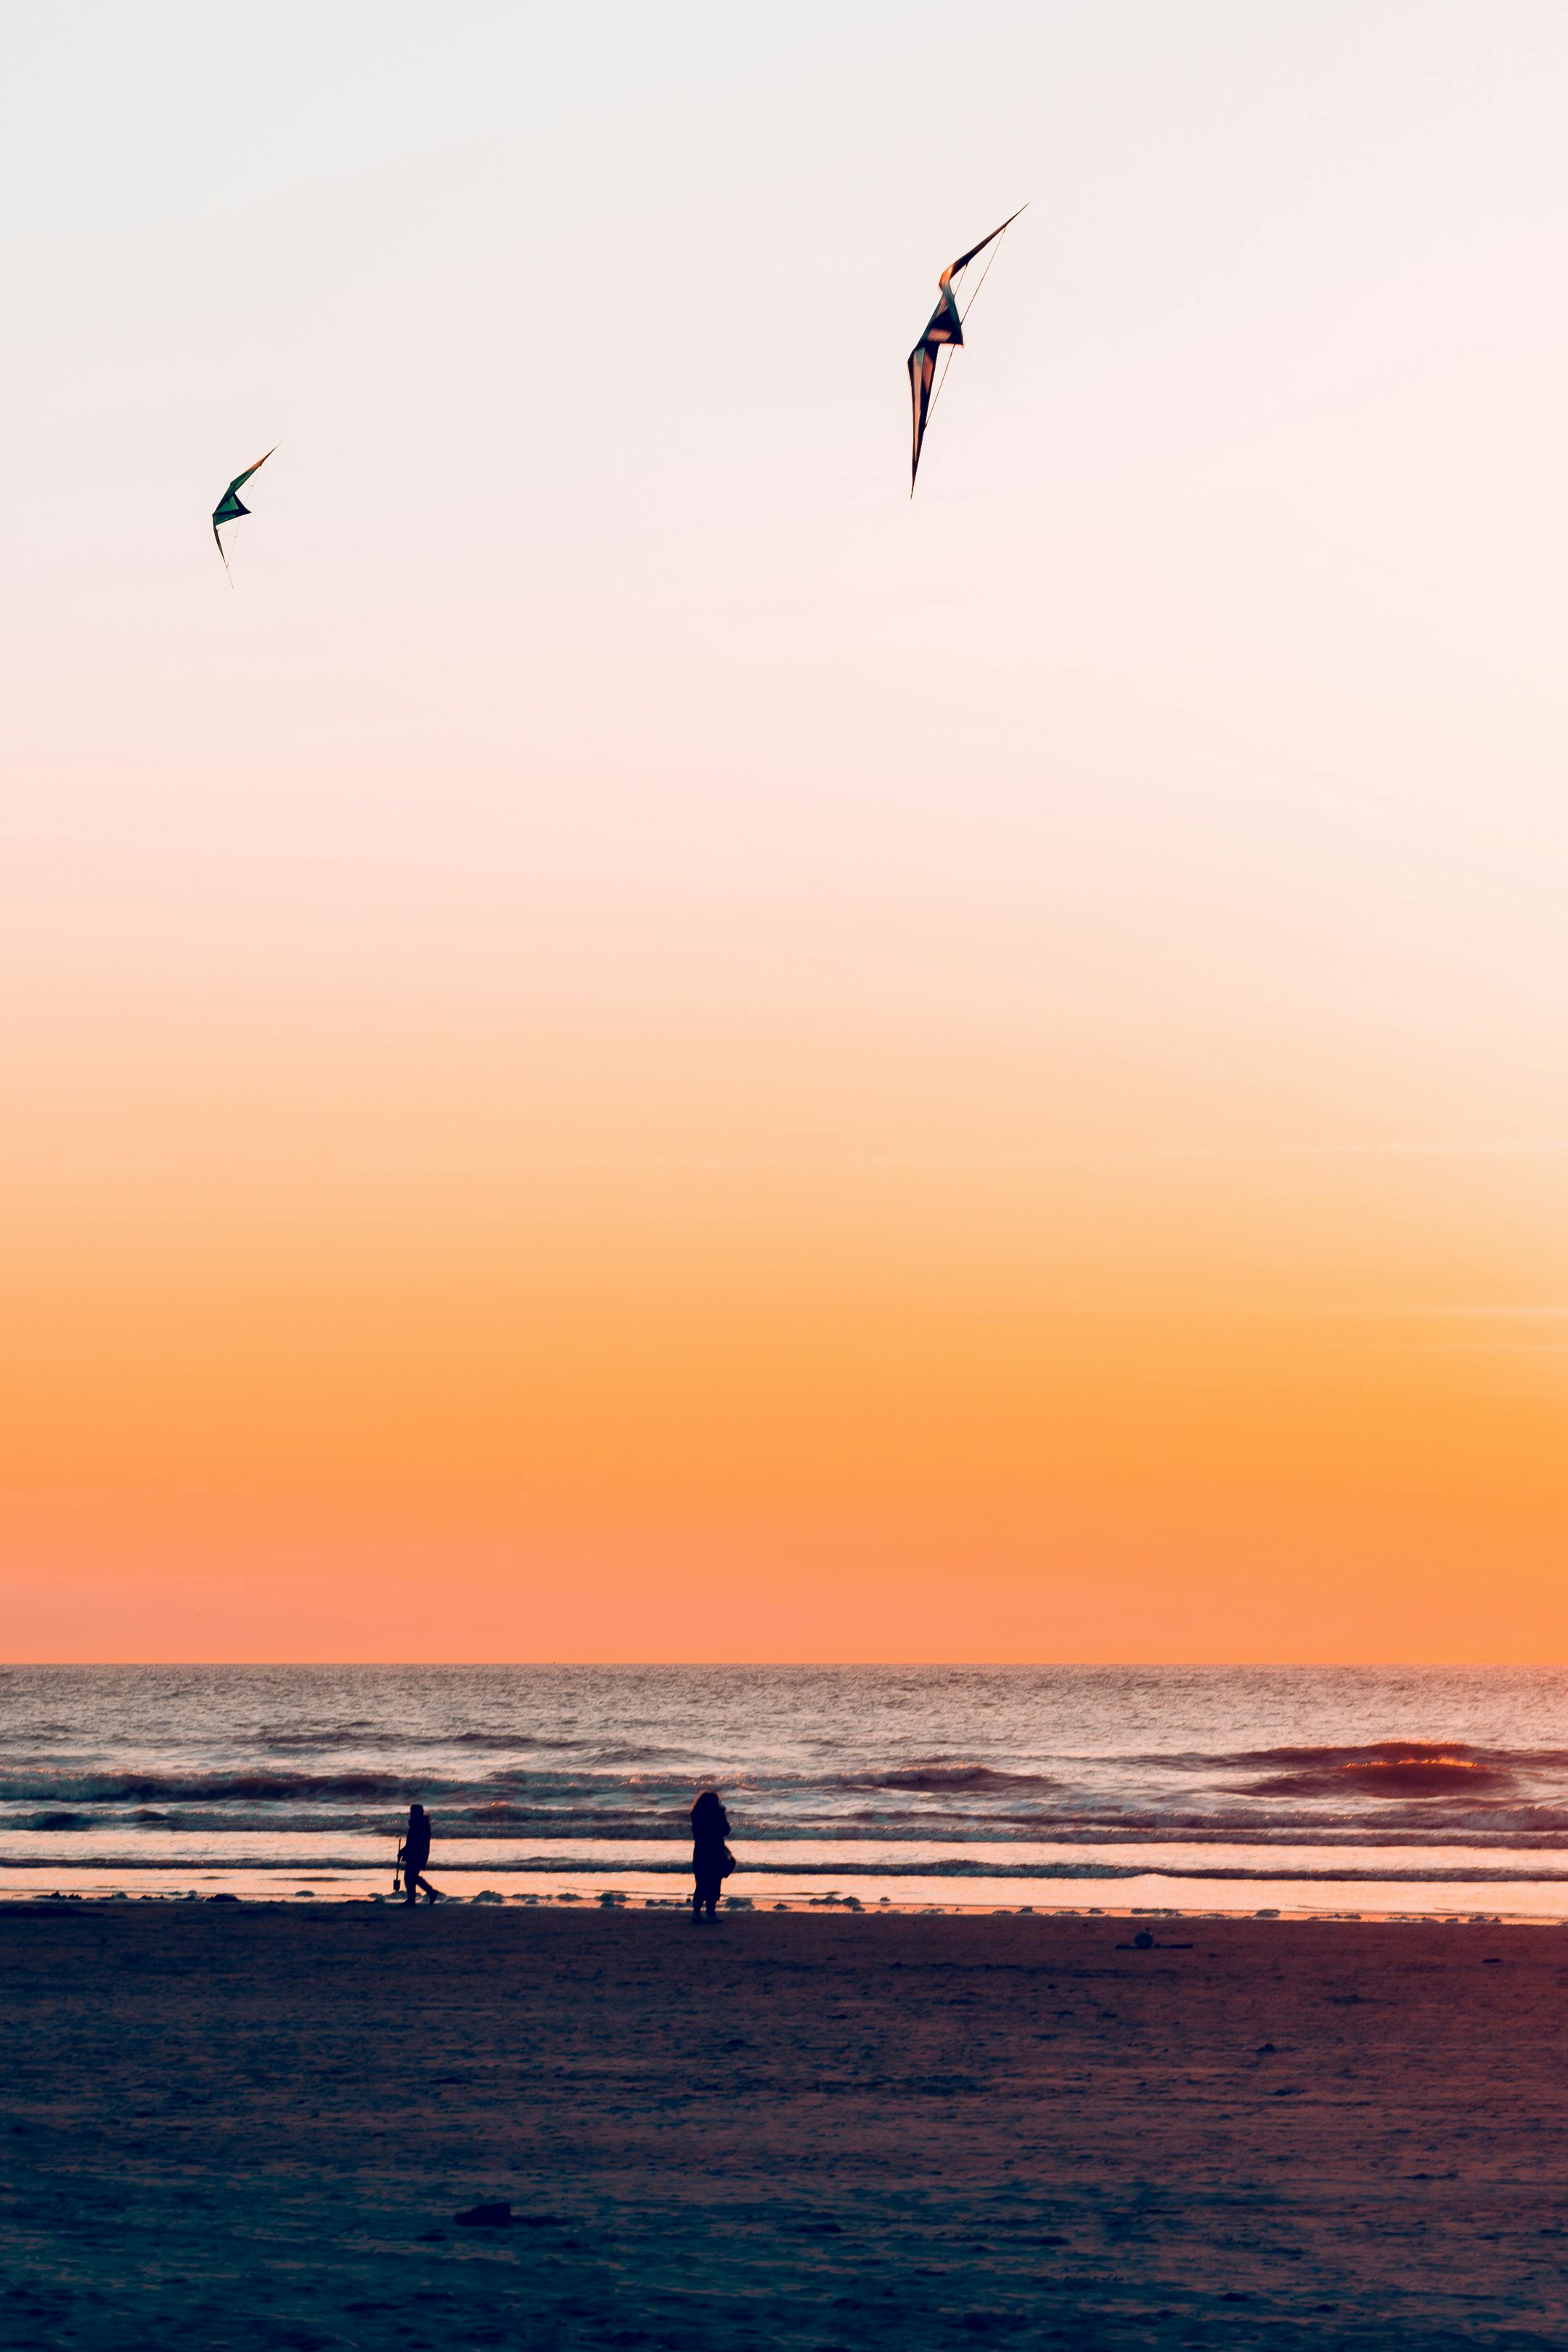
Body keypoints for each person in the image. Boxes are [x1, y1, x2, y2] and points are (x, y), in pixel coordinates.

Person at [690, 1789, 733, 1922]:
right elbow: (726, 1830)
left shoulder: (696, 1814)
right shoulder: (717, 1814)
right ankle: (711, 1912)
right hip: (715, 1850)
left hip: (700, 1851)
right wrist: (721, 1813)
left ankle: (696, 1912)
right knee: (714, 1882)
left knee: (701, 1882)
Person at [399, 1802, 439, 1906]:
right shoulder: (418, 1823)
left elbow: (416, 1842)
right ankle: (418, 1897)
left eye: (412, 1812)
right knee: (411, 1877)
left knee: (410, 1877)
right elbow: (412, 1841)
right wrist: (404, 1851)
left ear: (417, 1813)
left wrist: (404, 1851)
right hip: (415, 1853)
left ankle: (428, 1893)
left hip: (417, 1854)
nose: (411, 1813)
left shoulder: (420, 1824)